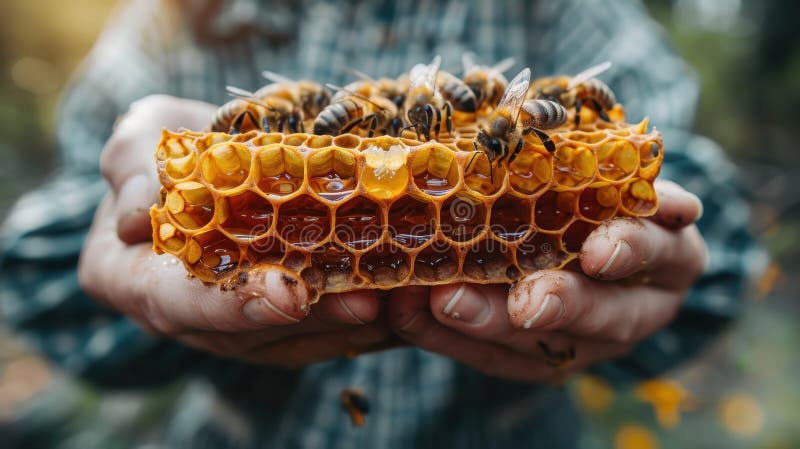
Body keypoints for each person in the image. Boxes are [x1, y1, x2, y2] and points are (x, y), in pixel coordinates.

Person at [0, 0, 763, 447]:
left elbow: (707, 213)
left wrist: (658, 274)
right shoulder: (171, 22)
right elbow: (33, 259)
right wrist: (135, 265)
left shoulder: (572, 15)